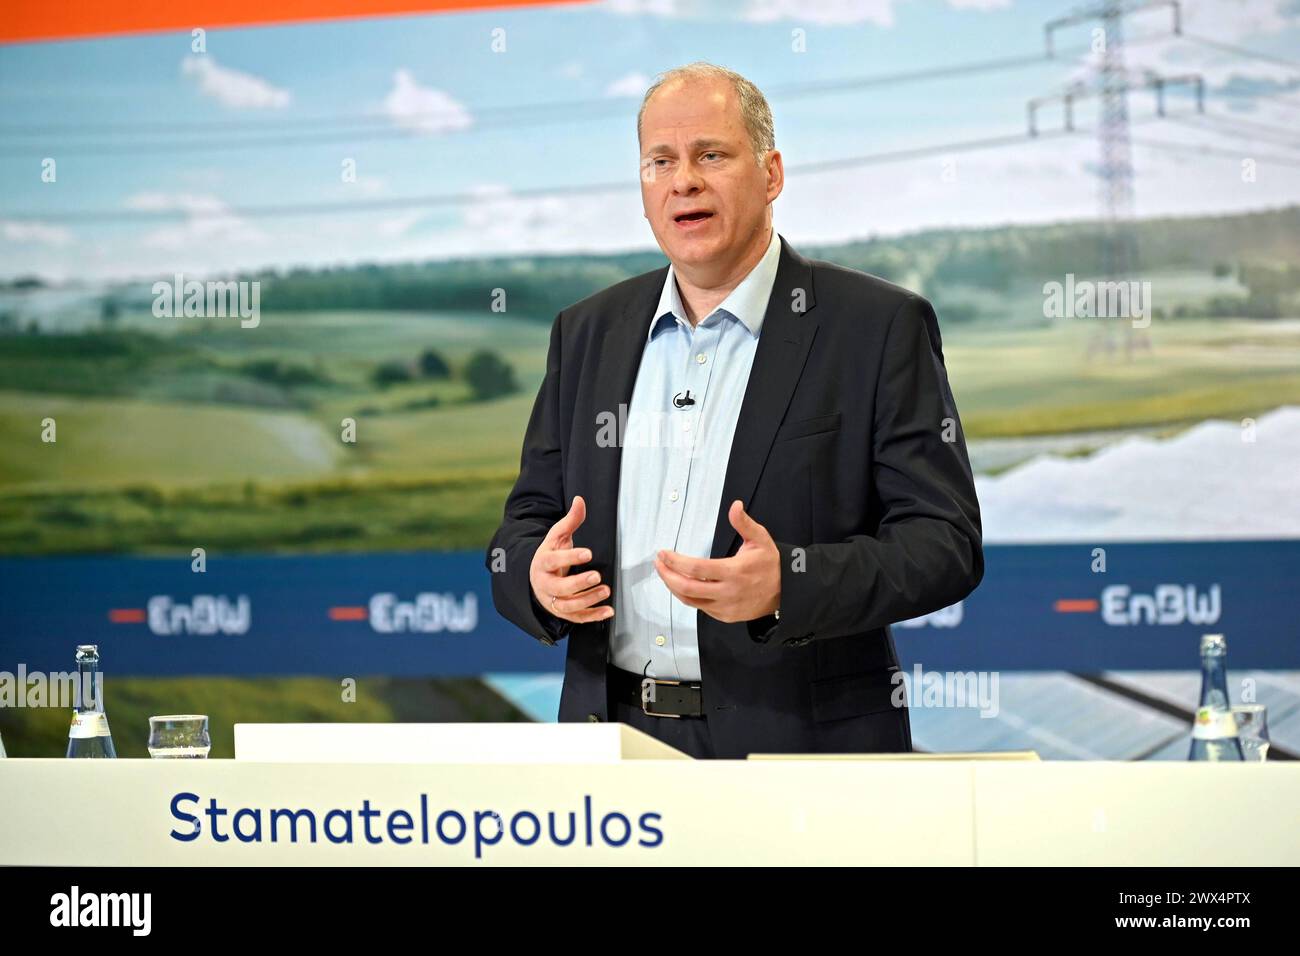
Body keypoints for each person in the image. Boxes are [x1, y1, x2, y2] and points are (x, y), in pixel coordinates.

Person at [486, 61, 982, 758]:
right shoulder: (587, 332)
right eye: (659, 162)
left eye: (710, 155)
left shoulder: (874, 327)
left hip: (797, 750)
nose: (682, 180)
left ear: (771, 174)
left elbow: (944, 544)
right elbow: (522, 527)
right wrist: (535, 577)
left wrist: (792, 582)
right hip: (610, 743)